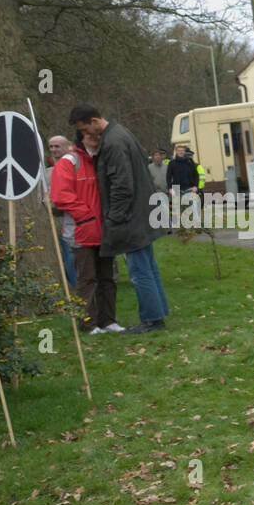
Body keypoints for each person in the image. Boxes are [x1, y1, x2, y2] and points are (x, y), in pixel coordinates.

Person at [68, 104, 171, 334]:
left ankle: (152, 319)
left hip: (130, 219)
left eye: (85, 129)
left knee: (139, 271)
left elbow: (122, 186)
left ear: (94, 120)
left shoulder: (112, 142)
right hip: (142, 213)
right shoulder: (121, 132)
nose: (86, 135)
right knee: (149, 267)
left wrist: (114, 219)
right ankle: (158, 314)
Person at [50, 131, 121, 334]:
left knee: (107, 278)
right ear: (81, 140)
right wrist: (86, 217)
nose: (96, 140)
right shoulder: (69, 162)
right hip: (80, 231)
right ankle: (88, 324)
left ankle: (108, 321)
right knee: (87, 278)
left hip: (103, 231)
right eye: (91, 137)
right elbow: (61, 196)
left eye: (98, 137)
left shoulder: (100, 161)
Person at [45, 135, 77, 289]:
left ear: (67, 146)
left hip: (73, 218)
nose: (53, 150)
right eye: (51, 147)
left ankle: (78, 289)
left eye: (57, 146)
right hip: (54, 219)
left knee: (72, 255)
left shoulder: (74, 166)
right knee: (63, 255)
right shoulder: (47, 172)